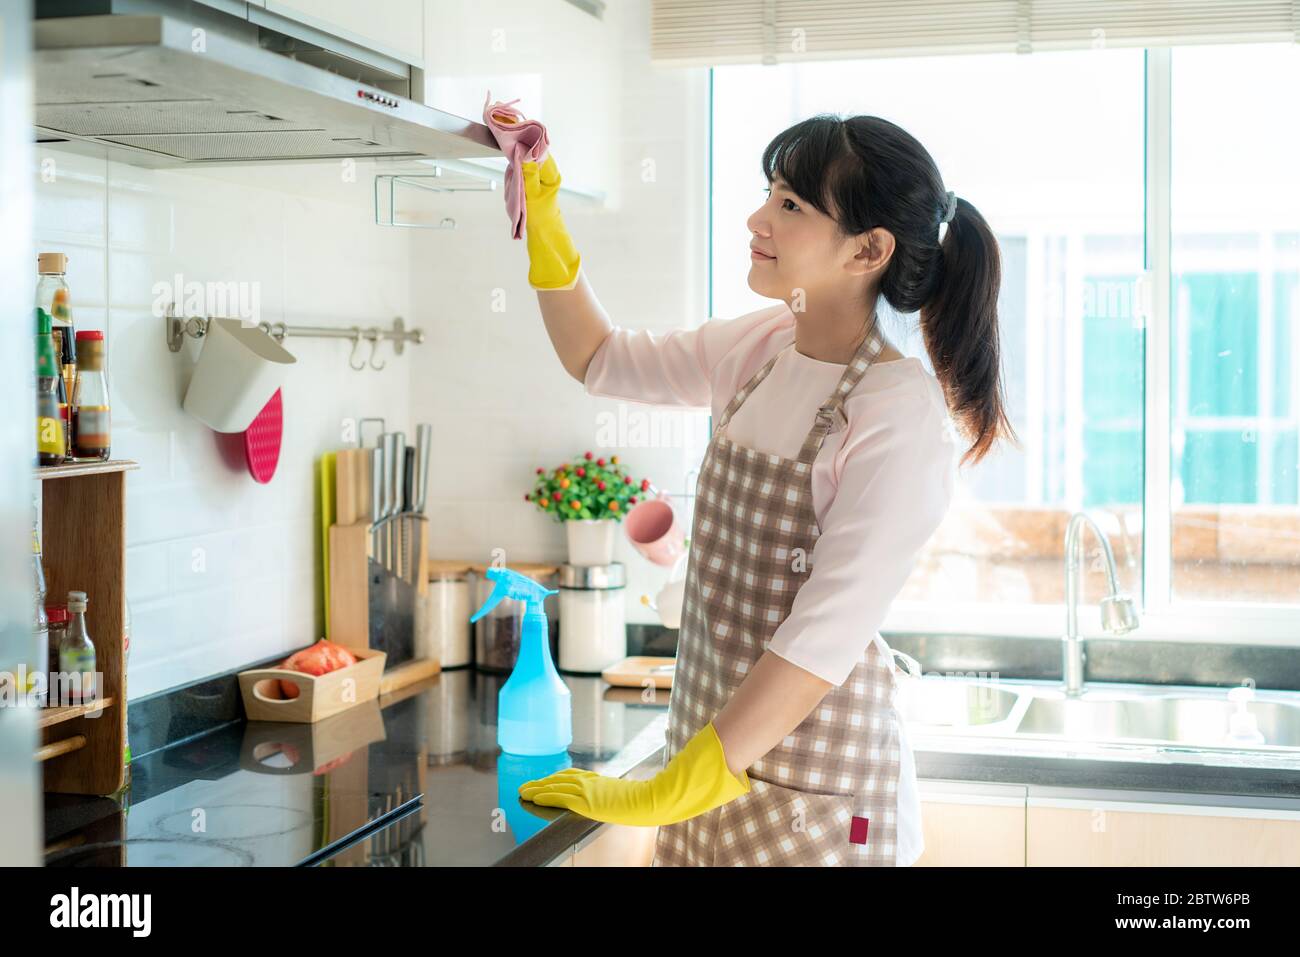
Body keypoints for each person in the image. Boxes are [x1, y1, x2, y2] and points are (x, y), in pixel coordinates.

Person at [514, 113, 1020, 865]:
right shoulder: (759, 347)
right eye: (770, 194)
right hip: (709, 759)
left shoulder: (897, 418)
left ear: (869, 249)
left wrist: (682, 783)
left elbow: (821, 638)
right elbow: (600, 358)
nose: (759, 218)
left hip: (815, 790)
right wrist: (545, 225)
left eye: (791, 205)